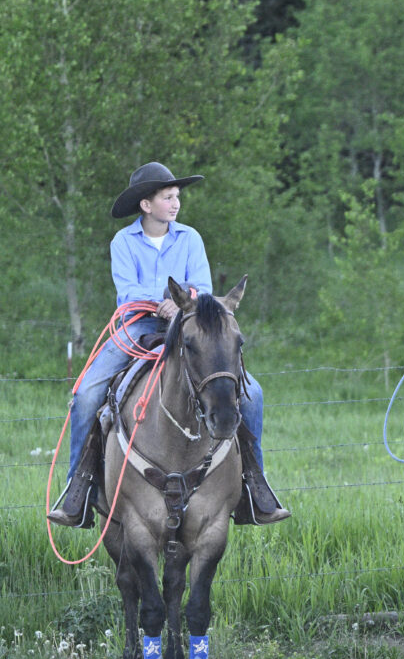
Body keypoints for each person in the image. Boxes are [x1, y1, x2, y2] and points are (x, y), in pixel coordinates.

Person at [48, 162, 289, 528]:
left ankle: (254, 486)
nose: (176, 204)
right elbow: (127, 291)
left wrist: (182, 301)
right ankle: (77, 490)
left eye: (177, 196)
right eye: (168, 197)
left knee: (251, 394)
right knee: (85, 395)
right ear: (146, 205)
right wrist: (162, 298)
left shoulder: (190, 238)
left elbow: (204, 286)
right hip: (136, 326)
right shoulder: (123, 242)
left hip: (188, 324)